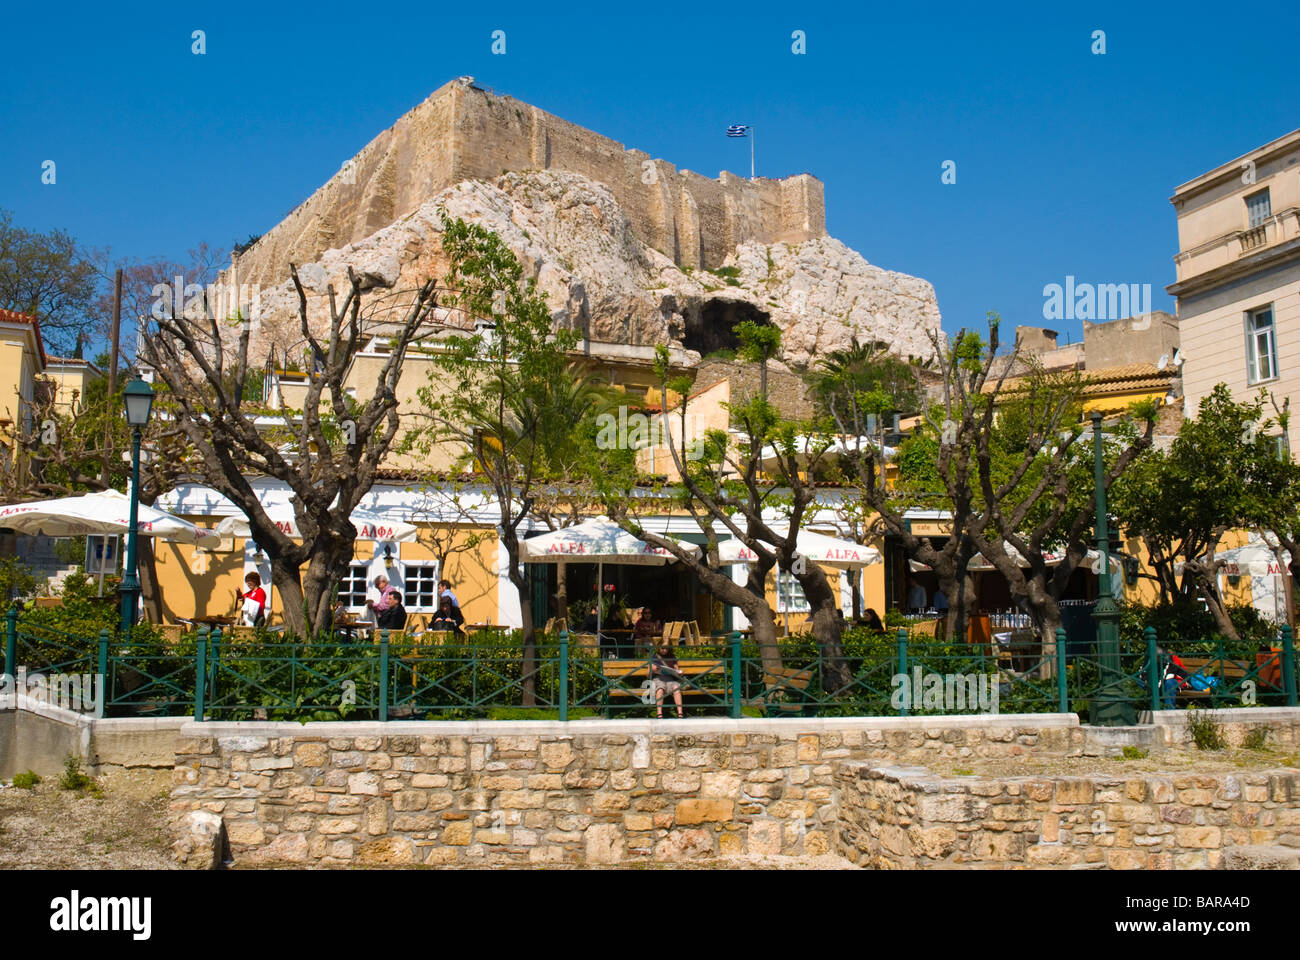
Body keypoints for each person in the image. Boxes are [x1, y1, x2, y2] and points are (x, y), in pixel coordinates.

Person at [650, 641, 685, 719]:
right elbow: (649, 673)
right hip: (658, 678)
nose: (664, 650)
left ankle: (680, 713)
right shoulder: (655, 657)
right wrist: (653, 669)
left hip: (670, 678)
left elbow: (676, 669)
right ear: (659, 647)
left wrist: (679, 672)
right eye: (662, 648)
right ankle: (659, 713)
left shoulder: (672, 657)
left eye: (667, 649)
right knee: (660, 689)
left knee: (676, 688)